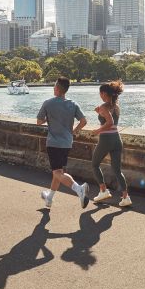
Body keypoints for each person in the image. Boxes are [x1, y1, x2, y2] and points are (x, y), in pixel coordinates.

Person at [36, 77, 90, 209]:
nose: (53, 88)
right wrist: (74, 131)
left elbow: (38, 121)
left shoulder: (48, 103)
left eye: (54, 86)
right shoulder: (73, 104)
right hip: (67, 143)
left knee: (57, 173)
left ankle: (79, 189)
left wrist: (47, 119)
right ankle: (49, 198)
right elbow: (83, 121)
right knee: (58, 172)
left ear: (57, 88)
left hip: (53, 143)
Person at [90, 81, 132, 207]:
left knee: (94, 164)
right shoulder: (116, 106)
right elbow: (111, 120)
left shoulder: (104, 106)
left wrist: (97, 131)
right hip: (116, 139)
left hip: (106, 139)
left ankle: (103, 190)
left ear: (103, 93)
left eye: (100, 93)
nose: (100, 95)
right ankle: (126, 198)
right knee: (117, 170)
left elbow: (109, 122)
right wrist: (100, 113)